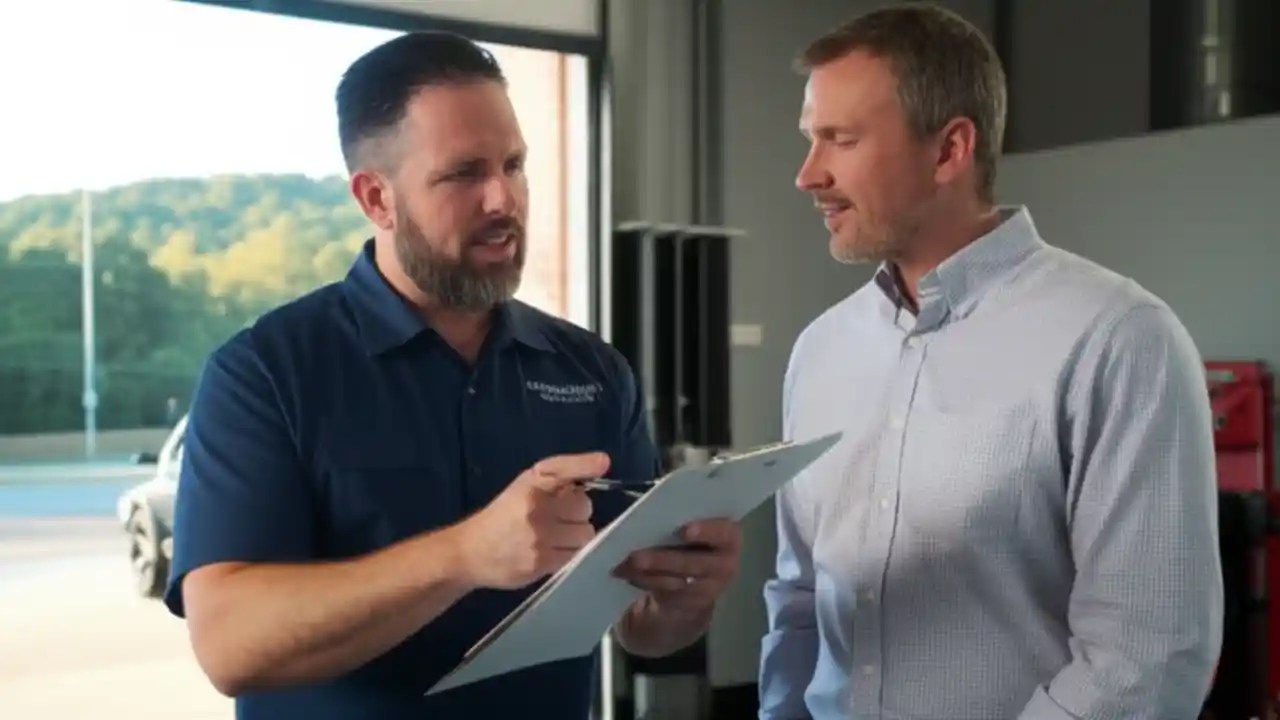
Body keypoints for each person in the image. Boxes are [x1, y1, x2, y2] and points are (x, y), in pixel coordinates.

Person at [166, 32, 742, 720]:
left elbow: (641, 629)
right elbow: (232, 648)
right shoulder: (264, 373)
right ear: (377, 198)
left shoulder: (592, 370)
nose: (504, 199)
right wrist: (465, 555)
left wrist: (686, 596)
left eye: (515, 164)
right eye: (464, 173)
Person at [759, 4, 1222, 719]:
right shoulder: (819, 353)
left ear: (949, 151)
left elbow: (1145, 660)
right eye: (808, 139)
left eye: (839, 140)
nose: (806, 175)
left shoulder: (1119, 341)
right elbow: (800, 600)